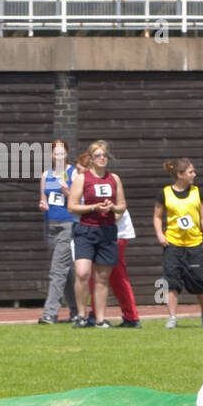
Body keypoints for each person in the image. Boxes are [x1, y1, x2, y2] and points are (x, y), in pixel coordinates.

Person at [67, 141, 127, 328]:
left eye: (105, 155)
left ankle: (100, 319)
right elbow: (72, 206)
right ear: (91, 159)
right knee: (83, 273)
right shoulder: (83, 179)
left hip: (107, 231)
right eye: (99, 155)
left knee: (102, 277)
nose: (102, 158)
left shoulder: (114, 178)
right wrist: (93, 207)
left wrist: (113, 208)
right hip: (86, 230)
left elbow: (122, 206)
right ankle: (81, 315)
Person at [153, 157, 203, 329]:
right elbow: (157, 216)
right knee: (171, 281)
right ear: (180, 174)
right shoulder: (165, 193)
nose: (194, 174)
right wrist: (160, 234)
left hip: (194, 244)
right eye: (190, 172)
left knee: (199, 282)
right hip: (173, 245)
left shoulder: (197, 192)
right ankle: (172, 317)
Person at [36, 139, 79, 324]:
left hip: (68, 223)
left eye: (62, 152)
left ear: (67, 154)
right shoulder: (46, 174)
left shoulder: (73, 172)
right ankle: (77, 311)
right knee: (65, 269)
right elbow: (43, 199)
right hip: (50, 225)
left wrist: (67, 190)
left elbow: (78, 200)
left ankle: (50, 313)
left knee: (57, 269)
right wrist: (42, 204)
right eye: (56, 153)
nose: (59, 156)